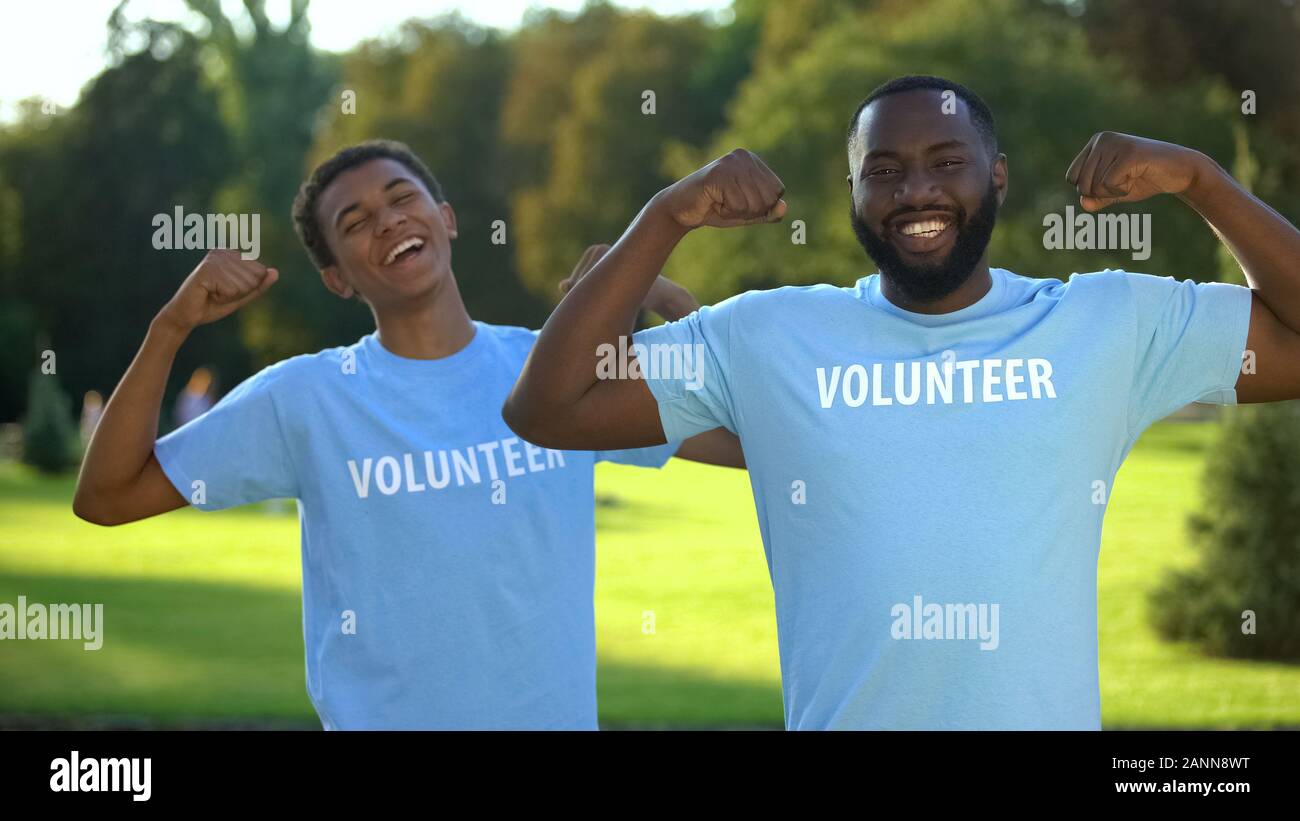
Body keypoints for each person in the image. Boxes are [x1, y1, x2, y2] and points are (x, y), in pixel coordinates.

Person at [502, 75, 1300, 729]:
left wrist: (1202, 180)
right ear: (850, 189)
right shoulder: (769, 335)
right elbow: (547, 408)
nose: (915, 190)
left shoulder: (1105, 324)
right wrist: (667, 215)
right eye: (882, 170)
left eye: (947, 161)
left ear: (997, 175)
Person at [73, 139, 743, 730]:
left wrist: (666, 302)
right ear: (337, 277)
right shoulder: (306, 397)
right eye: (355, 221)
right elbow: (107, 496)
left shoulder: (551, 376)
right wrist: (171, 326)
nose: (388, 219)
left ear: (445, 219)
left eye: (401, 197)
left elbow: (746, 439)